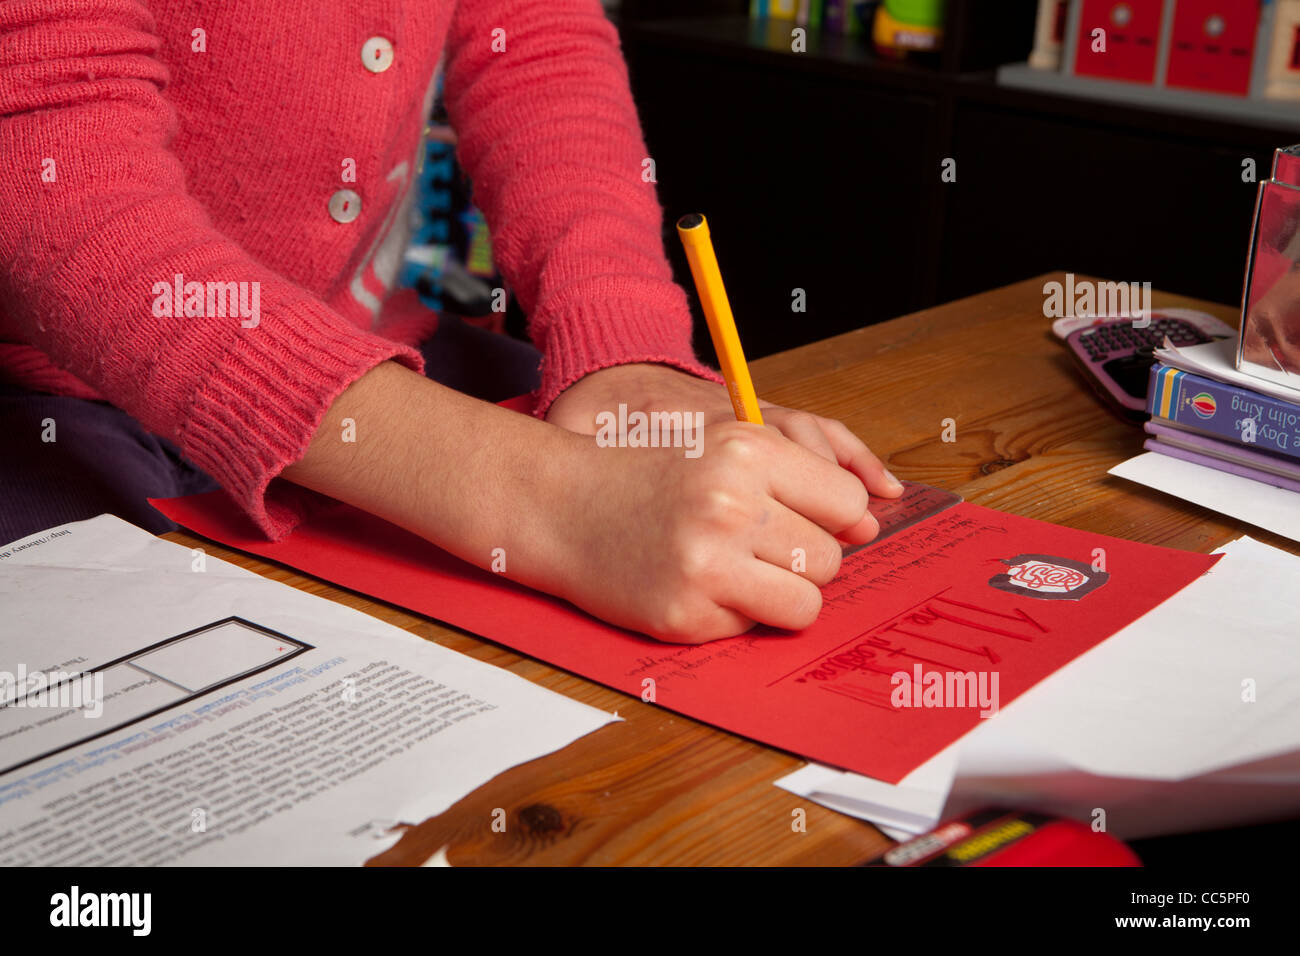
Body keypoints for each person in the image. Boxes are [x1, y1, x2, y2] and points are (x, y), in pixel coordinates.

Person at [0, 1, 901, 643]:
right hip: (48, 393)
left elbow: (536, 50)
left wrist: (630, 359)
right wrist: (557, 504)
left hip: (380, 350)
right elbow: (54, 173)